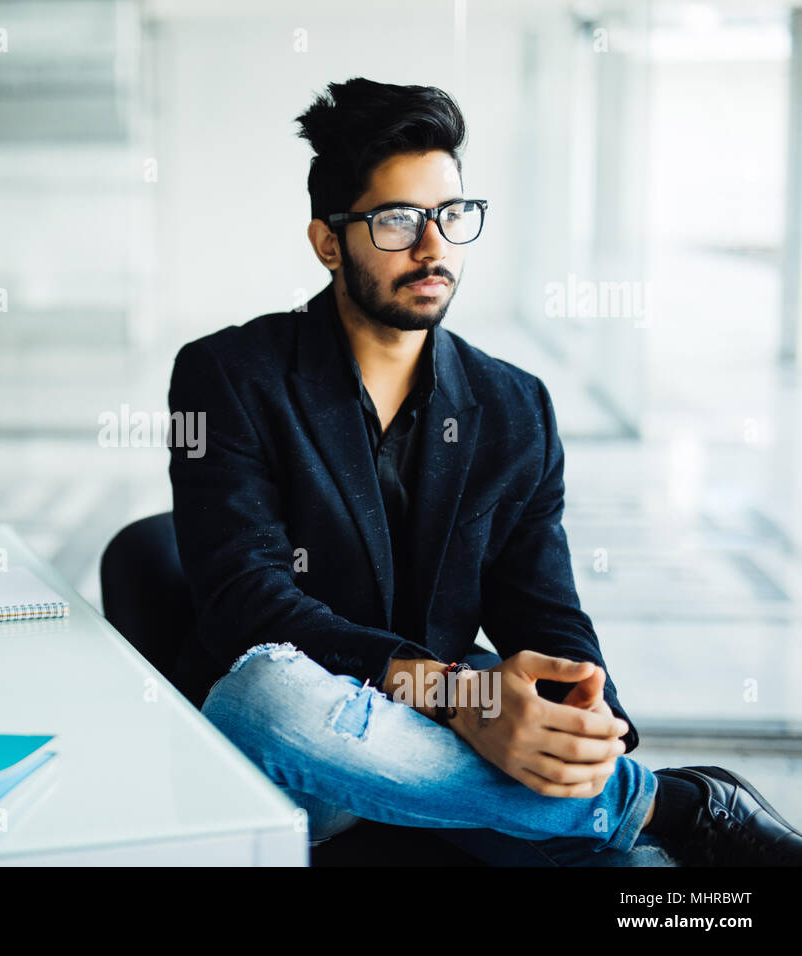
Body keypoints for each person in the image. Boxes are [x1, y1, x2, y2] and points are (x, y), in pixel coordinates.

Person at [166, 77, 802, 866]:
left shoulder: (514, 405)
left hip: (441, 754)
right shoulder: (227, 376)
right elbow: (245, 605)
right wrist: (457, 694)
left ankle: (623, 815)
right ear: (329, 242)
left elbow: (545, 614)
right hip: (304, 761)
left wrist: (585, 719)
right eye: (398, 221)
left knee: (646, 875)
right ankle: (672, 804)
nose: (434, 247)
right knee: (266, 697)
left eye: (452, 216)